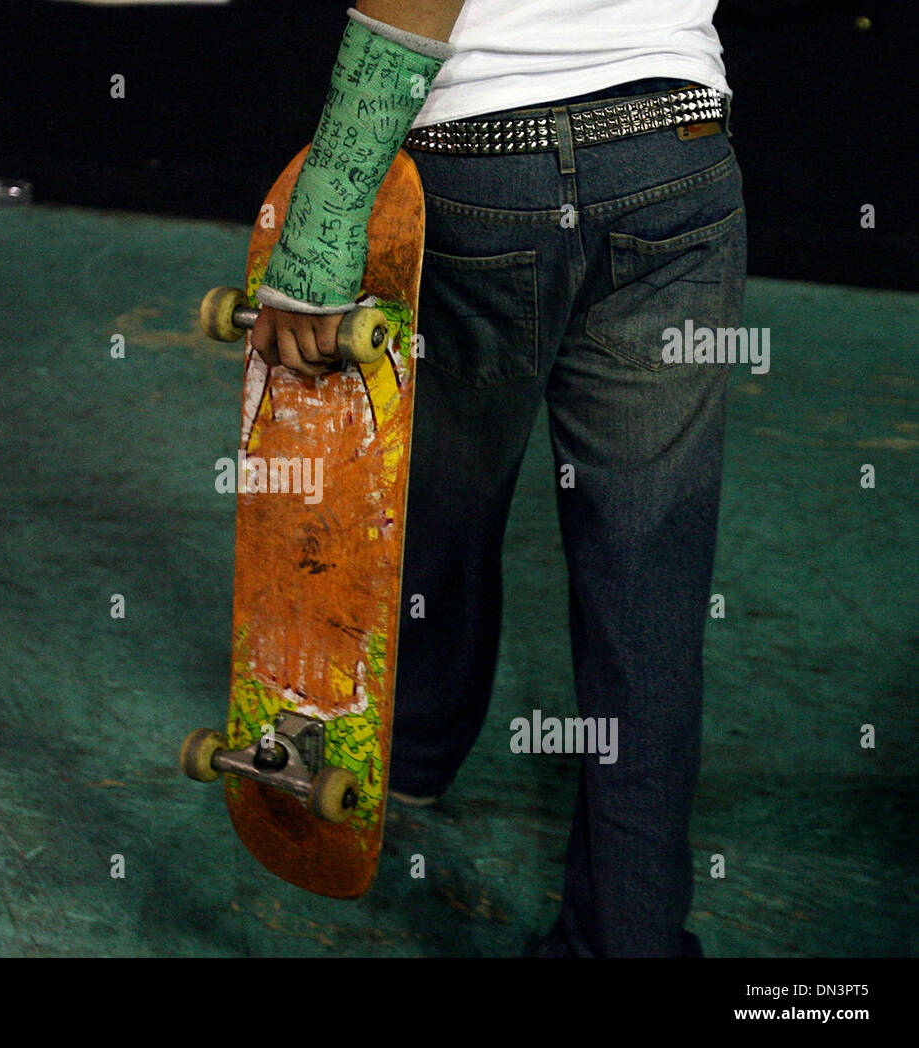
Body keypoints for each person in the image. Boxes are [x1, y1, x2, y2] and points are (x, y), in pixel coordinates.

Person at [251, 1, 746, 958]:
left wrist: (321, 225)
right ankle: (628, 944)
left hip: (488, 160)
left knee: (445, 494)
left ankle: (420, 744)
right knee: (650, 594)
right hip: (678, 152)